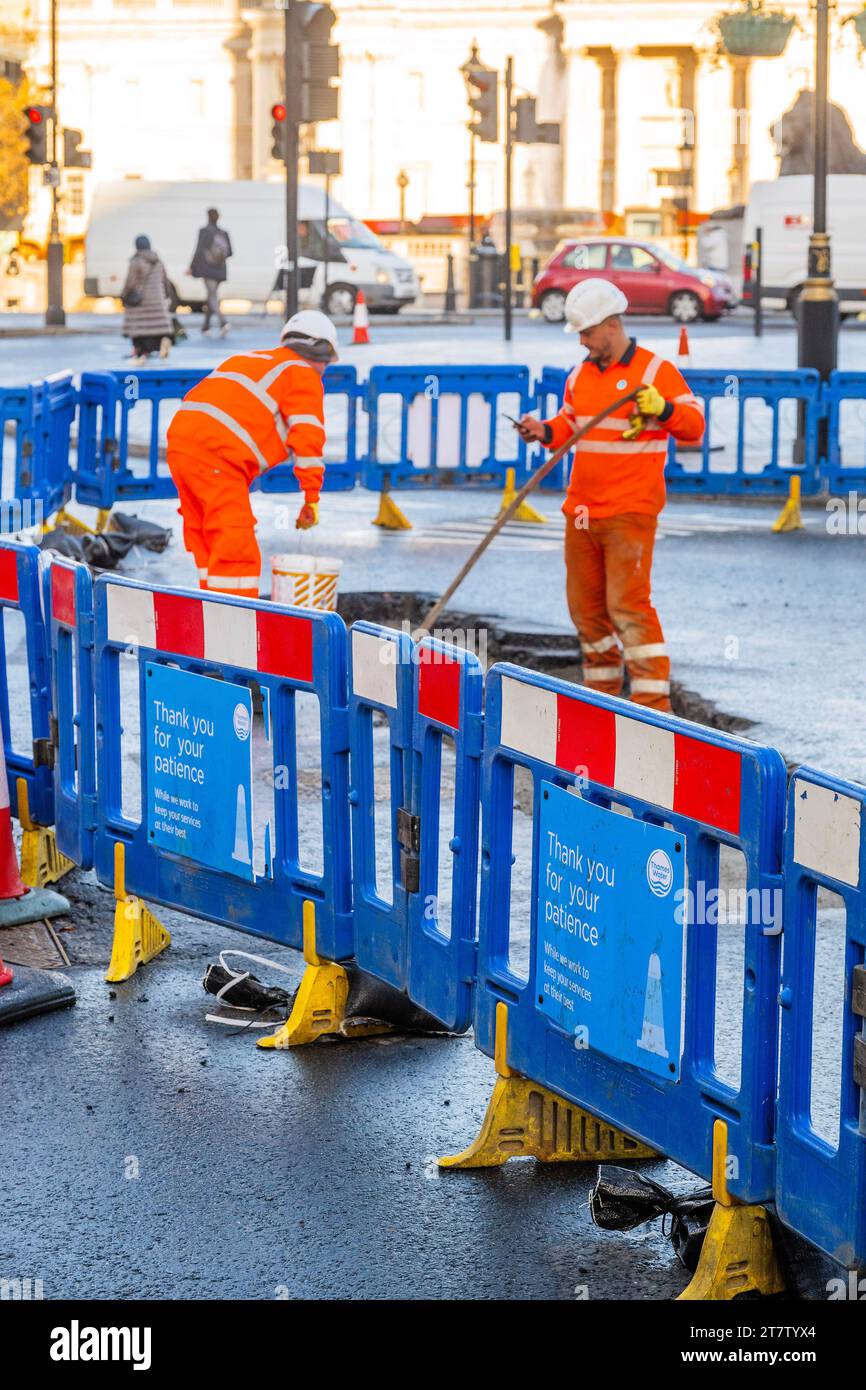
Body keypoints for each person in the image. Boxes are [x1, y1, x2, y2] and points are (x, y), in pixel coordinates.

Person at [516, 278, 705, 713]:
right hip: (582, 513)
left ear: (611, 325)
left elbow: (694, 426)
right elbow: (570, 425)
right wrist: (542, 431)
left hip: (629, 512)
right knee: (586, 611)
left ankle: (653, 708)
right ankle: (601, 701)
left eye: (586, 332)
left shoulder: (655, 373)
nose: (582, 341)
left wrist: (664, 409)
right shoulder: (580, 375)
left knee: (628, 608)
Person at [165, 309, 338, 597]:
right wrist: (311, 497)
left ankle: (210, 613)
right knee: (235, 547)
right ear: (323, 353)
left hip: (181, 446)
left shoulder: (252, 359)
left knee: (205, 538)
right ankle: (234, 629)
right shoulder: (302, 373)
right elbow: (308, 439)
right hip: (218, 455)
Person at [120, 236, 173, 366]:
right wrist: (166, 296)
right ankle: (160, 345)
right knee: (155, 329)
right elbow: (165, 281)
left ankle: (140, 352)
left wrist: (123, 295)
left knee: (139, 328)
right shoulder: (158, 261)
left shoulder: (136, 261)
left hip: (141, 302)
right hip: (157, 300)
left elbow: (130, 282)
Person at [188, 207, 232, 337]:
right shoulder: (223, 233)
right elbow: (230, 252)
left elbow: (199, 250)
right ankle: (205, 327)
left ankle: (223, 322)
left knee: (212, 297)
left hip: (208, 269)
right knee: (211, 296)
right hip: (220, 270)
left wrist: (192, 267)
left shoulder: (204, 232)